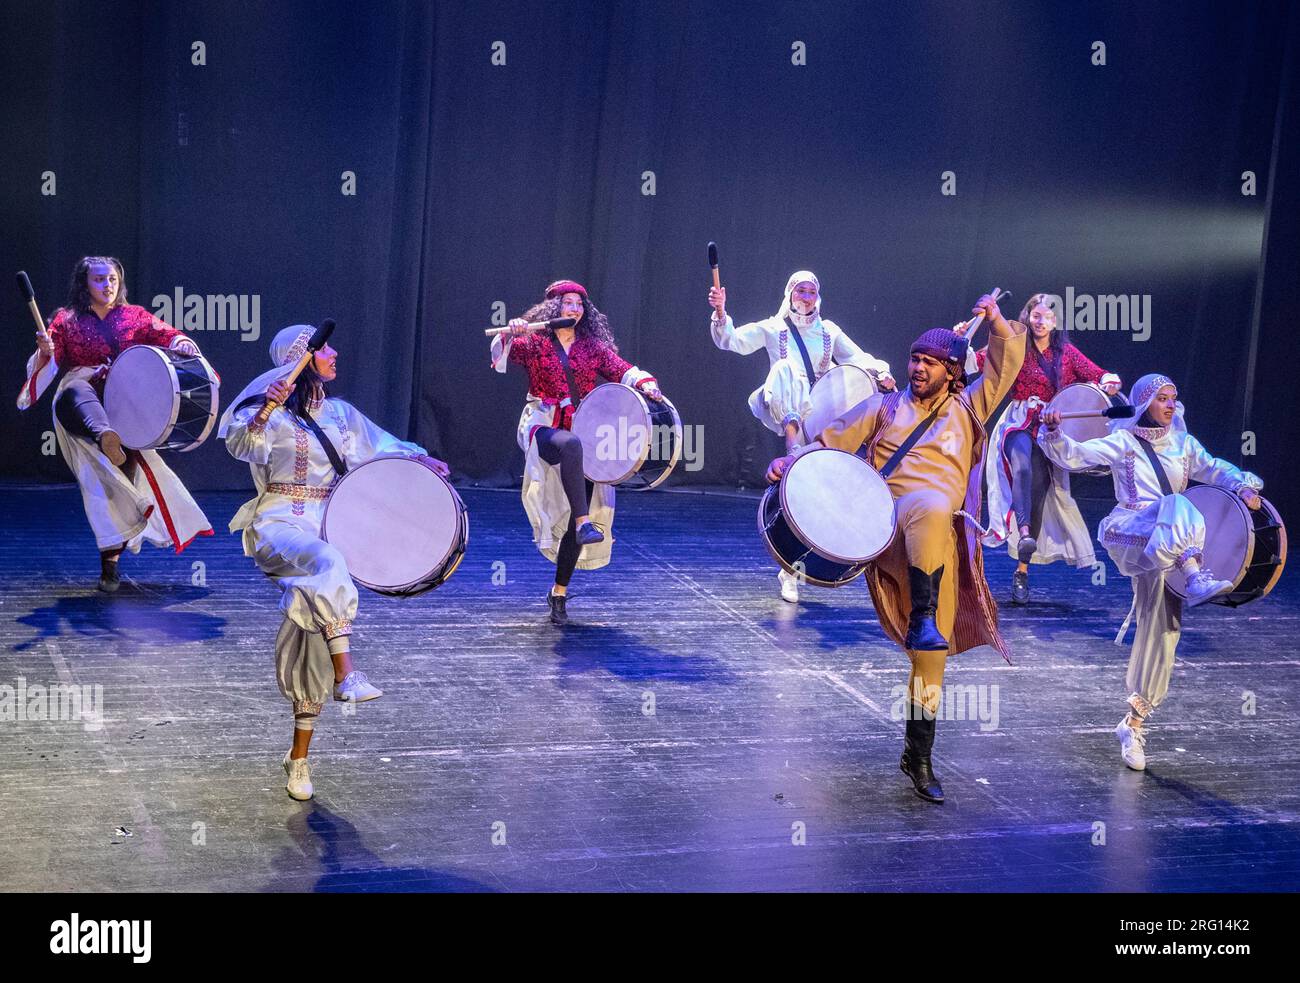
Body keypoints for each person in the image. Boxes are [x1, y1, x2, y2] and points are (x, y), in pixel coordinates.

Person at [767, 293, 1025, 803]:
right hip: (888, 527)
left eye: (930, 363)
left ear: (953, 371)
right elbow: (828, 443)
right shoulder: (884, 407)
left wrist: (995, 321)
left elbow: (1005, 364)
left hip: (938, 547)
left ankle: (918, 754)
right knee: (928, 505)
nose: (918, 369)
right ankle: (923, 615)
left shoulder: (971, 408)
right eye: (915, 359)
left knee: (931, 656)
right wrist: (790, 462)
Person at [220, 324, 449, 801]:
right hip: (282, 523)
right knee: (328, 562)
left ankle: (299, 758)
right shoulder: (274, 417)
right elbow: (239, 443)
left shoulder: (342, 414)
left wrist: (419, 459)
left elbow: (381, 447)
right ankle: (348, 673)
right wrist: (267, 405)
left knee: (309, 637)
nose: (336, 354)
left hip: (332, 522)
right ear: (300, 360)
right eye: (325, 350)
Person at [1039, 374, 1263, 771]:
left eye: (1174, 398)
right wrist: (1054, 431)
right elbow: (1073, 454)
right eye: (1162, 398)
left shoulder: (1183, 445)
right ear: (1144, 402)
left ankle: (1134, 722)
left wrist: (1242, 486)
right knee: (1177, 503)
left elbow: (1214, 469)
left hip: (1168, 546)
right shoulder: (1123, 442)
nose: (1170, 405)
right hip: (1130, 533)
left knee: (1162, 629)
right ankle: (1194, 575)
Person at [16, 256, 211, 590]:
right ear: (84, 284)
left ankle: (110, 565)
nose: (107, 286)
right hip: (82, 403)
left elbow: (165, 333)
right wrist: (46, 351)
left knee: (115, 486)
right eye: (98, 280)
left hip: (124, 402)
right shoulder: (67, 319)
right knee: (75, 393)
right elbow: (50, 360)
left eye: (112, 280)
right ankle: (104, 433)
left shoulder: (135, 316)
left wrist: (179, 341)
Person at [709, 270, 895, 603]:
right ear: (790, 293)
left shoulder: (829, 332)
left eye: (811, 291)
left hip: (821, 414)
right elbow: (732, 341)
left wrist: (881, 373)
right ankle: (794, 449)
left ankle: (793, 567)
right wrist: (721, 313)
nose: (806, 296)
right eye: (800, 290)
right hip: (789, 408)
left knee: (854, 380)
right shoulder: (773, 328)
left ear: (817, 296)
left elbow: (859, 358)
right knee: (783, 368)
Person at [492, 280, 663, 625]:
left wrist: (646, 384)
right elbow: (501, 354)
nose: (574, 309)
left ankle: (559, 591)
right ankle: (587, 522)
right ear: (554, 308)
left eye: (579, 304)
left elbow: (623, 370)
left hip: (582, 430)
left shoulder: (592, 347)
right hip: (544, 425)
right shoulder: (537, 342)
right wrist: (510, 333)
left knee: (575, 509)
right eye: (567, 303)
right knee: (571, 447)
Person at [971, 293, 1121, 603]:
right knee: (1021, 465)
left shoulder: (1065, 353)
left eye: (1047, 317)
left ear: (1056, 322)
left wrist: (1108, 381)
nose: (1041, 321)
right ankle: (1024, 533)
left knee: (1038, 492)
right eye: (1035, 315)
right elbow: (979, 360)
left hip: (1049, 430)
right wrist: (960, 343)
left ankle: (1022, 570)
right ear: (1026, 317)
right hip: (1018, 422)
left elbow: (1097, 374)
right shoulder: (1015, 344)